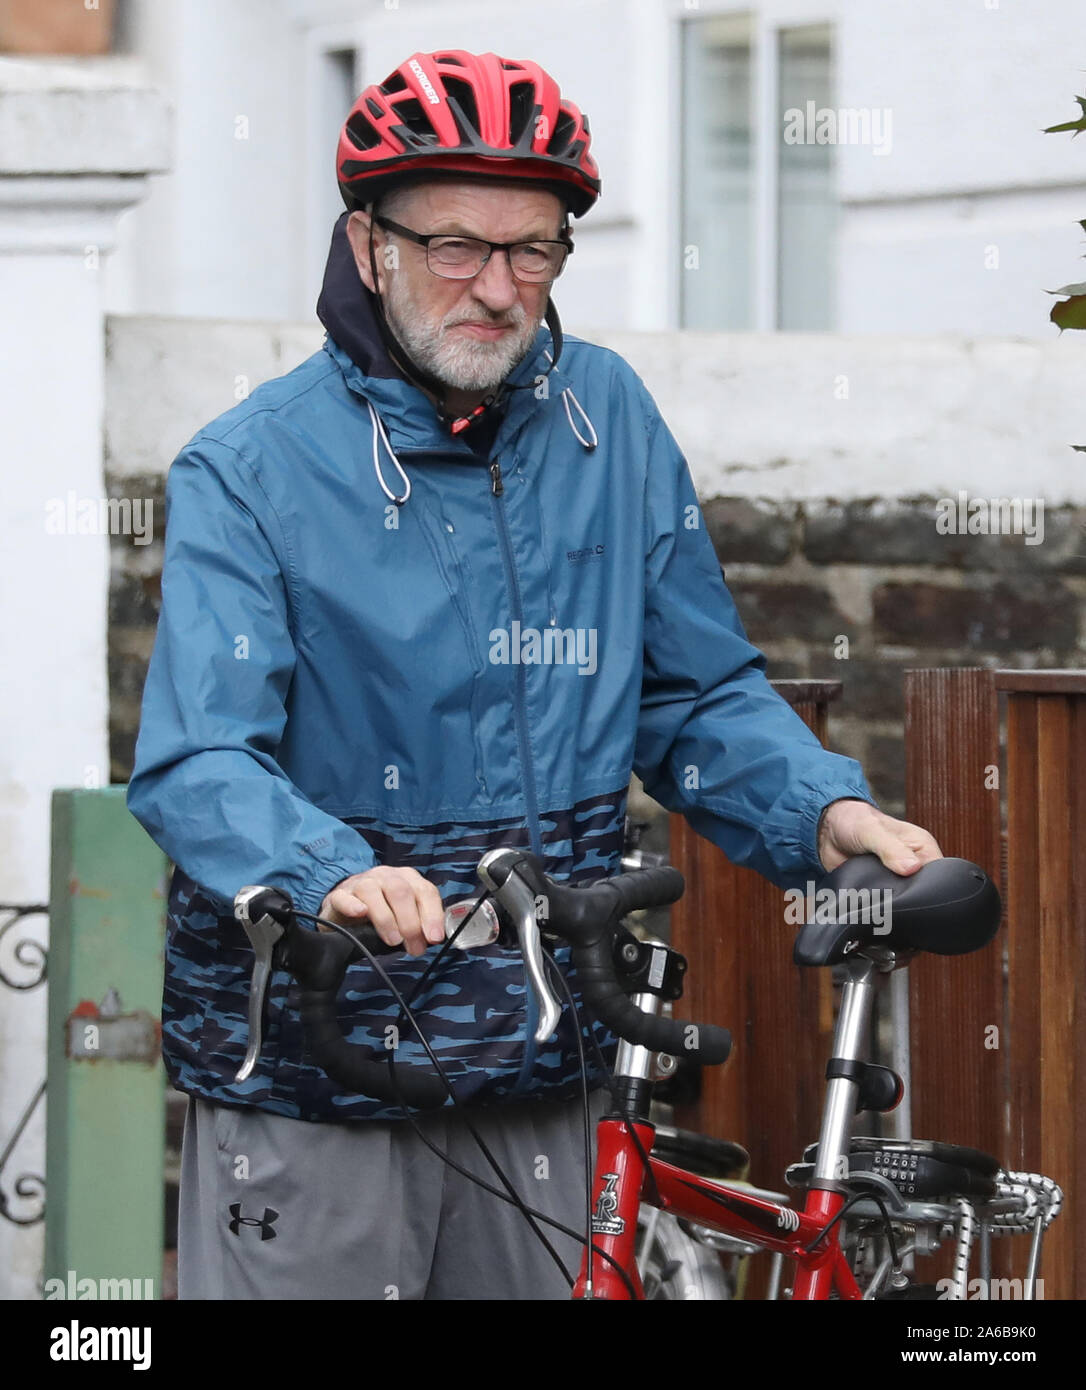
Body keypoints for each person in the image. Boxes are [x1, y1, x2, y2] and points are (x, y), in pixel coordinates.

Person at [126, 49, 941, 1301]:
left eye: (534, 250)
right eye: (455, 246)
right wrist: (333, 872)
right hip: (325, 1066)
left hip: (545, 1048)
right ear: (367, 243)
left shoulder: (606, 415)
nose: (498, 289)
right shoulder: (248, 468)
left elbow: (696, 692)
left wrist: (819, 809)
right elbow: (198, 761)